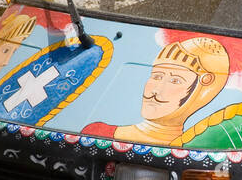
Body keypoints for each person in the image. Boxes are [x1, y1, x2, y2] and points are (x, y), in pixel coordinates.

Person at [83, 35, 228, 144]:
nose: (156, 91)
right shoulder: (98, 132)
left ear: (204, 88)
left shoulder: (199, 150)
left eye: (175, 80)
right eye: (156, 76)